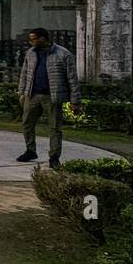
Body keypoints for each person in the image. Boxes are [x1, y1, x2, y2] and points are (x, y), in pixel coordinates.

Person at [16, 28, 81, 170]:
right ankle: (30, 151)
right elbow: (24, 73)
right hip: (32, 95)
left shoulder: (63, 54)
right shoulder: (30, 53)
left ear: (43, 38)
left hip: (52, 96)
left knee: (54, 128)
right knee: (27, 124)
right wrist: (22, 92)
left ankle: (54, 157)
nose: (31, 42)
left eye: (34, 39)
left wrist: (75, 101)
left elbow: (72, 79)